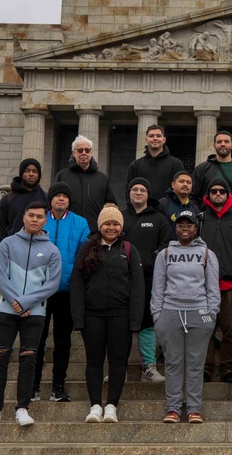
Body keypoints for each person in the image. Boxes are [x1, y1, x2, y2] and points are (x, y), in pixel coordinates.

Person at [0, 202, 61, 427]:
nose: (34, 219)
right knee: (0, 357)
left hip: (35, 312)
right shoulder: (7, 243)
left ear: (45, 220)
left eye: (39, 216)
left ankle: (23, 408)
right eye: (31, 215)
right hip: (6, 309)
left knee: (29, 359)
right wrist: (15, 301)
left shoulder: (52, 250)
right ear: (24, 217)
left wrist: (24, 303)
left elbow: (52, 284)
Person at [71, 206, 145, 424]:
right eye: (107, 223)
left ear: (121, 227)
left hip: (120, 316)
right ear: (100, 226)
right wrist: (78, 318)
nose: (111, 227)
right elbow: (77, 284)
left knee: (118, 362)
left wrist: (135, 321)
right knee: (93, 361)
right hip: (92, 316)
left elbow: (138, 287)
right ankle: (95, 405)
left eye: (115, 224)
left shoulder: (129, 250)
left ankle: (112, 405)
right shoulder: (87, 249)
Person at [152, 210, 220, 423]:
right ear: (176, 228)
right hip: (170, 313)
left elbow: (213, 289)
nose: (185, 228)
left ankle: (194, 409)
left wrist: (211, 315)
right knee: (172, 363)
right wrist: (158, 317)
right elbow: (158, 288)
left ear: (195, 228)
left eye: (189, 225)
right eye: (181, 225)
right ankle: (172, 408)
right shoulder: (164, 254)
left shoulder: (207, 254)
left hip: (199, 313)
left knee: (195, 364)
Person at [33, 182, 90, 403]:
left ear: (69, 201)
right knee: (37, 340)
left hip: (66, 291)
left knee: (63, 341)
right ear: (51, 199)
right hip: (39, 292)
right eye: (57, 195)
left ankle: (58, 386)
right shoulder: (39, 219)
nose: (61, 199)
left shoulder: (80, 223)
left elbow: (84, 255)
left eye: (65, 196)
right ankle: (33, 386)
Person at [199, 177, 232, 383]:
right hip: (204, 286)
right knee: (205, 329)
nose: (218, 194)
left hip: (231, 286)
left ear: (228, 194)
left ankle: (229, 367)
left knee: (231, 329)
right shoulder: (200, 219)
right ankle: (206, 367)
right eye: (214, 191)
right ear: (208, 194)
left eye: (222, 191)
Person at [121, 177, 173, 383]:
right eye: (135, 189)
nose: (139, 193)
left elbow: (167, 245)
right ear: (129, 193)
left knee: (147, 322)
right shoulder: (121, 216)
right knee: (121, 324)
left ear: (148, 194)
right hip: (122, 278)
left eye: (143, 189)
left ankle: (149, 367)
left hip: (150, 278)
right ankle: (119, 368)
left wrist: (149, 261)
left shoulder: (159, 219)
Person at [54, 136, 117, 229]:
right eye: (80, 150)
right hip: (67, 229)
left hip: (94, 231)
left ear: (91, 153)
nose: (84, 153)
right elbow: (53, 203)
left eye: (87, 150)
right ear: (73, 153)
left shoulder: (102, 178)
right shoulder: (62, 176)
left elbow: (111, 205)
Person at [0, 158, 48, 249]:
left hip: (40, 249)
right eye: (27, 171)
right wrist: (1, 250)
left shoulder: (46, 198)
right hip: (13, 249)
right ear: (21, 173)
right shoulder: (8, 199)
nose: (31, 174)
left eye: (35, 171)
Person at [191, 130, 232, 210]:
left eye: (226, 141)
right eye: (219, 142)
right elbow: (192, 195)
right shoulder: (202, 168)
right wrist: (198, 215)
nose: (223, 144)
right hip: (207, 217)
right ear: (214, 145)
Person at [125, 124, 185, 203]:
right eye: (151, 136)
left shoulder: (176, 164)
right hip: (142, 212)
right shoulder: (135, 165)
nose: (155, 138)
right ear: (146, 140)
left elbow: (180, 191)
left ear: (164, 139)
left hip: (167, 212)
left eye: (158, 136)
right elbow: (128, 192)